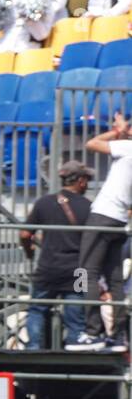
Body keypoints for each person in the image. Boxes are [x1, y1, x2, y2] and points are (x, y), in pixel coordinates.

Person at [70, 118, 132, 351]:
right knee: (115, 279)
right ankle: (118, 336)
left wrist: (117, 131)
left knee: (84, 272)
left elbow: (91, 143)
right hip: (119, 220)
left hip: (102, 215)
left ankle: (91, 332)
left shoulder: (128, 147)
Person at [22, 161, 92, 350]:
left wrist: (29, 253)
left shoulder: (44, 202)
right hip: (79, 269)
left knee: (37, 309)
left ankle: (33, 348)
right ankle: (75, 342)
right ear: (81, 181)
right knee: (76, 308)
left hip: (48, 267)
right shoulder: (89, 207)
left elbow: (25, 234)